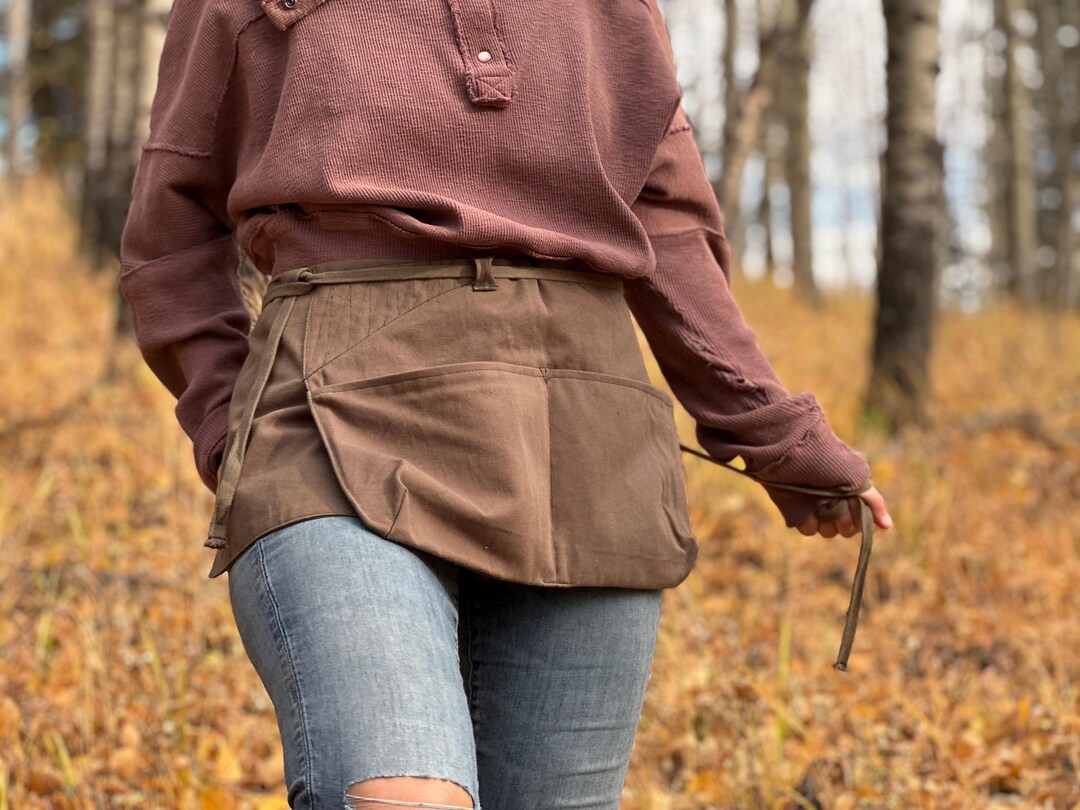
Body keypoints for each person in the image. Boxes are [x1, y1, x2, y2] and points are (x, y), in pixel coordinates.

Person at [118, 0, 893, 808]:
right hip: (326, 426)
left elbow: (665, 223)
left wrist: (776, 433)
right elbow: (169, 231)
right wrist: (226, 423)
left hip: (587, 449)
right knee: (397, 797)